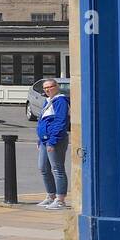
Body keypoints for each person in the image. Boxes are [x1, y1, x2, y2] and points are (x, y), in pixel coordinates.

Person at [36, 78, 70, 209]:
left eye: (50, 87)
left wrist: (52, 141)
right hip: (45, 140)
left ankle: (60, 199)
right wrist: (40, 140)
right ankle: (51, 196)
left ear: (56, 86)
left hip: (55, 140)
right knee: (43, 168)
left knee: (57, 169)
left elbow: (60, 122)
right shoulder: (48, 101)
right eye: (45, 88)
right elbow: (42, 122)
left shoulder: (60, 101)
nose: (47, 90)